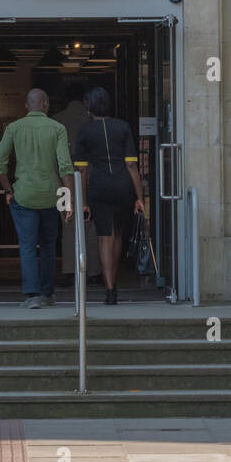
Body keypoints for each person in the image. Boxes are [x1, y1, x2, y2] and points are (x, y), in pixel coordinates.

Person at [0, 88, 74, 310]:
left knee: (27, 245)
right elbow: (65, 166)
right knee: (49, 245)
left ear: (27, 106)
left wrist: (8, 189)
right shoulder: (58, 129)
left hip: (24, 194)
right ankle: (48, 293)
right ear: (46, 104)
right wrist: (69, 199)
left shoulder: (14, 128)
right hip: (51, 194)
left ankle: (32, 295)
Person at [73, 86, 145, 305]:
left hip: (100, 186)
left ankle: (110, 289)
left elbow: (82, 170)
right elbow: (132, 165)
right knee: (118, 234)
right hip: (123, 186)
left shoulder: (84, 131)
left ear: (88, 108)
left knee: (105, 237)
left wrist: (83, 202)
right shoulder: (123, 127)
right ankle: (115, 282)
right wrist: (140, 197)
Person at [53, 80, 102, 282]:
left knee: (67, 220)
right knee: (90, 222)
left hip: (62, 175)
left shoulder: (57, 120)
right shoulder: (91, 120)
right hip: (90, 173)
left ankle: (70, 269)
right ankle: (93, 270)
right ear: (84, 99)